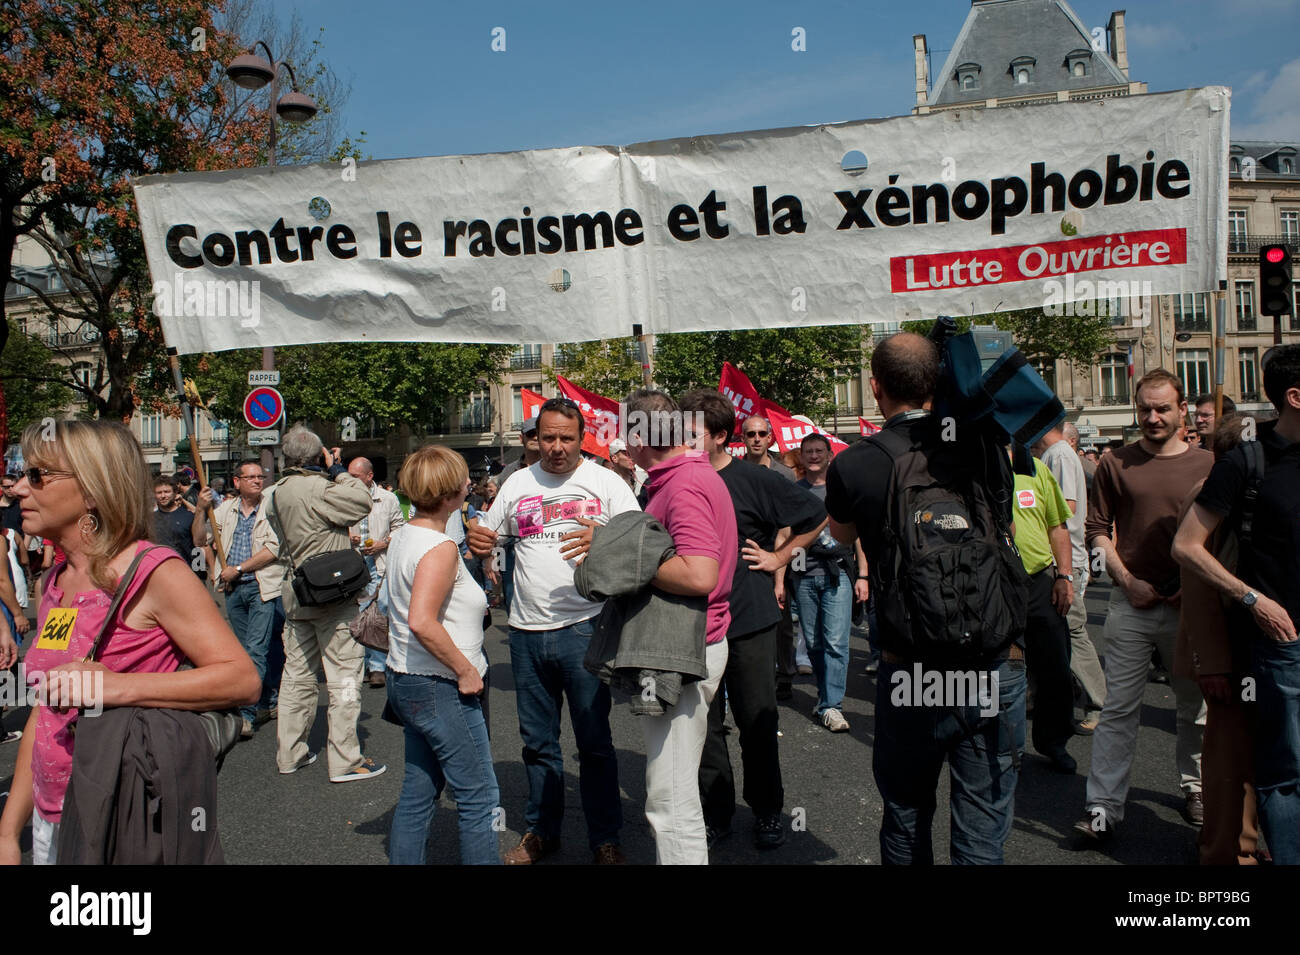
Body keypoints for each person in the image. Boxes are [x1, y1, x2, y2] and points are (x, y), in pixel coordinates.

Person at [0, 419, 259, 865]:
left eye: (39, 475)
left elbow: (241, 680)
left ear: (94, 488)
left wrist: (117, 686)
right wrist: (9, 831)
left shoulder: (154, 571)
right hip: (50, 817)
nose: (19, 488)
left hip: (117, 815)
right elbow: (45, 707)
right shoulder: (56, 580)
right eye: (23, 474)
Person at [825, 332, 1028, 864]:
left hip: (911, 666)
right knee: (982, 820)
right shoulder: (984, 443)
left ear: (875, 389)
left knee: (907, 813)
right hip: (992, 659)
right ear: (937, 384)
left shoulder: (853, 463)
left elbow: (843, 537)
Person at [468, 397, 639, 864]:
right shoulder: (518, 482)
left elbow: (643, 540)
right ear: (535, 438)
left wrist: (603, 538)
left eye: (566, 437)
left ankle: (606, 838)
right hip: (524, 633)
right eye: (548, 438)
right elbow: (487, 531)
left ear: (581, 437)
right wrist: (477, 536)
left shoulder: (606, 482)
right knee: (538, 744)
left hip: (585, 628)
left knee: (594, 742)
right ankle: (542, 831)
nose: (557, 447)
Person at [678, 390, 825, 851]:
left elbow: (816, 514)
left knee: (758, 723)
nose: (682, 439)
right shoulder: (673, 479)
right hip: (694, 624)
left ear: (720, 436)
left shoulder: (753, 479)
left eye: (693, 431)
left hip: (750, 621)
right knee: (706, 727)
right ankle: (715, 813)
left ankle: (766, 812)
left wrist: (779, 556)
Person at [1073, 369, 1212, 845]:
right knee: (1118, 709)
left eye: (1162, 408)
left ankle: (1197, 789)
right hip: (1131, 602)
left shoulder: (1209, 464)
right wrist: (1126, 581)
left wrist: (1194, 586)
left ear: (1182, 411)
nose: (1152, 417)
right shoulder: (1114, 463)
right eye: (1145, 409)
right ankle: (1103, 806)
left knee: (1195, 708)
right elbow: (1096, 530)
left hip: (1191, 605)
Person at [1173, 345, 1300, 864]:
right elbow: (1189, 553)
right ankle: (1232, 853)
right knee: (1274, 770)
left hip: (1259, 648)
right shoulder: (1244, 468)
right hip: (1275, 645)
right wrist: (1253, 604)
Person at [620, 388, 735, 864]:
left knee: (669, 800)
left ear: (644, 435)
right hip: (689, 644)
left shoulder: (683, 483)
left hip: (683, 649)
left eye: (628, 430)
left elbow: (699, 573)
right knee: (674, 790)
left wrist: (624, 554)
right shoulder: (683, 475)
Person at [384, 444, 500, 865]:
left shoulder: (406, 536)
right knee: (480, 797)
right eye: (463, 480)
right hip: (438, 683)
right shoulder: (439, 547)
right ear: (452, 492)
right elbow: (422, 620)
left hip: (409, 678)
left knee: (418, 793)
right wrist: (465, 669)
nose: (470, 484)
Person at [266, 426, 385, 784]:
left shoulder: (275, 493)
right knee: (345, 677)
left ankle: (291, 753)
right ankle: (345, 759)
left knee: (297, 676)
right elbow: (361, 502)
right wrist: (337, 469)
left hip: (297, 592)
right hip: (332, 595)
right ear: (318, 456)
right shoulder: (321, 487)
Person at [192, 459, 283, 739]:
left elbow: (273, 548)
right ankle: (268, 699)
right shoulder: (225, 510)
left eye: (260, 476)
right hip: (232, 589)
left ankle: (246, 714)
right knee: (247, 650)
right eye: (251, 477)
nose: (258, 481)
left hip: (260, 586)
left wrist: (240, 568)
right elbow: (199, 540)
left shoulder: (271, 507)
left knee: (255, 649)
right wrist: (199, 509)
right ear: (237, 482)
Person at [791, 433, 868, 733]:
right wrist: (782, 578)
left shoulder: (842, 490)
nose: (813, 456)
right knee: (814, 643)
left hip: (838, 574)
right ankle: (825, 697)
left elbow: (858, 535)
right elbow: (786, 535)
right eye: (808, 451)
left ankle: (832, 706)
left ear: (829, 455)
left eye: (818, 451)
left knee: (836, 643)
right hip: (804, 575)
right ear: (801, 455)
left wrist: (863, 574)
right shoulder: (794, 491)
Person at [1035, 424, 1106, 735]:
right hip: (1060, 560)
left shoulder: (1060, 455)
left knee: (1073, 631)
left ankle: (1099, 704)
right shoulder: (1053, 454)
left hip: (1067, 560)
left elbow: (1066, 509)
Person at [1010, 449, 1078, 773]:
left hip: (1039, 581)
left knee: (1055, 668)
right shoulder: (972, 465)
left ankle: (1053, 741)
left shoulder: (1034, 469)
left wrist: (1064, 575)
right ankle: (1005, 748)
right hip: (996, 585)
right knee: (1002, 673)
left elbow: (1057, 526)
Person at [347, 456, 406, 688]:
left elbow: (399, 527)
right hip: (352, 563)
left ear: (369, 476)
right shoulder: (342, 497)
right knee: (354, 614)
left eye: (354, 477)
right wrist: (345, 536)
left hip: (379, 563)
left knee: (380, 613)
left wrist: (384, 543)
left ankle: (377, 667)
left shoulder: (388, 498)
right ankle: (356, 664)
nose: (349, 481)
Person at [741, 415, 795, 480]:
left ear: (769, 438)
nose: (757, 439)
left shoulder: (786, 474)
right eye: (751, 434)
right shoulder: (733, 473)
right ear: (743, 438)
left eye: (762, 434)